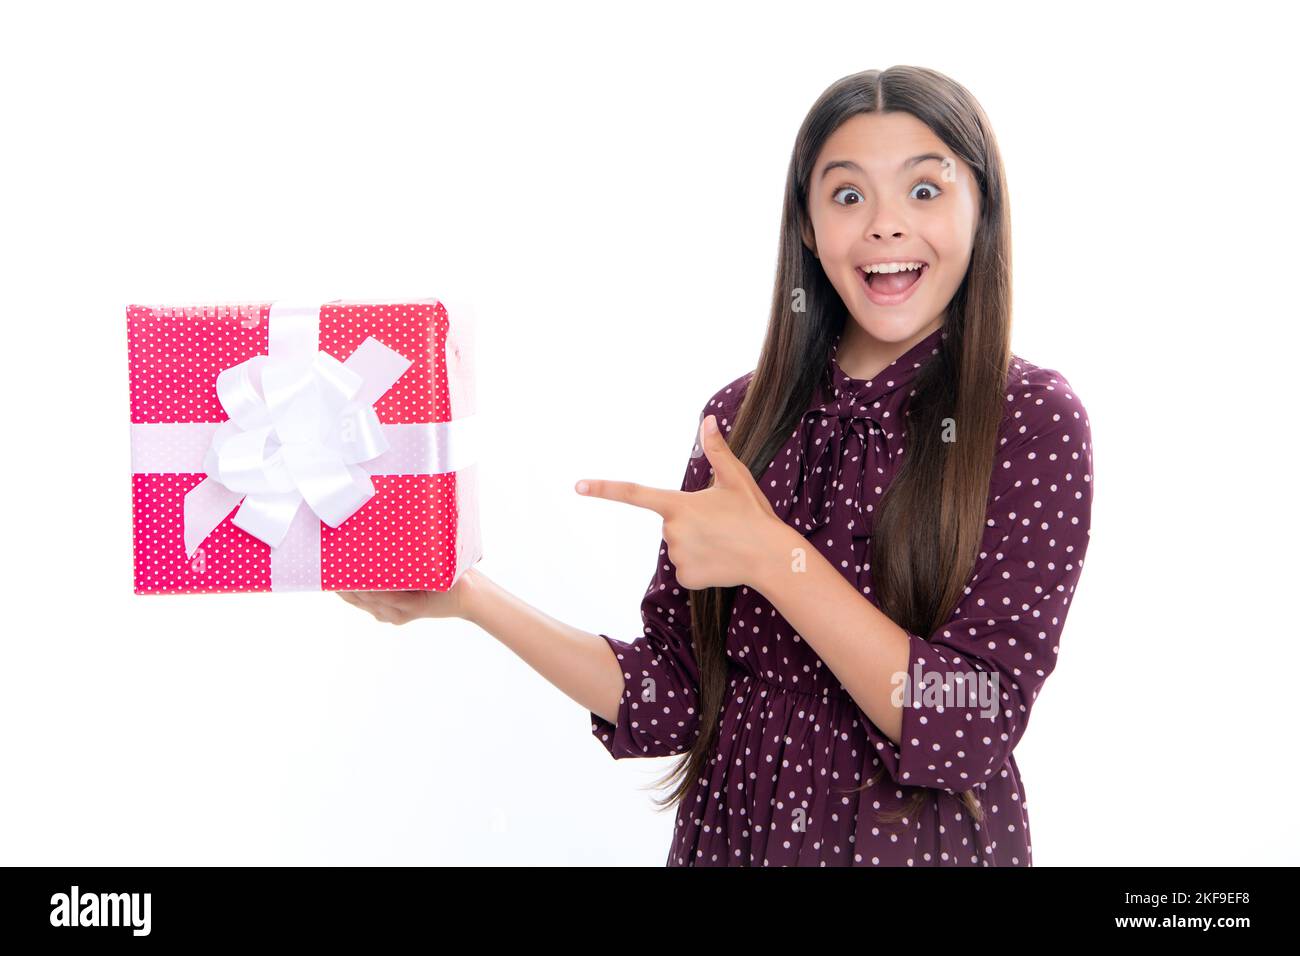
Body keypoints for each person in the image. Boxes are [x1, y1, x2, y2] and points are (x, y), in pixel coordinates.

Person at [338, 65, 1094, 866]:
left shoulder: (1030, 419)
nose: (884, 226)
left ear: (981, 211)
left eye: (924, 191)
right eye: (846, 196)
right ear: (805, 225)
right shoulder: (741, 420)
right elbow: (672, 701)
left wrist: (775, 560)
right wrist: (469, 598)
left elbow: (969, 723)